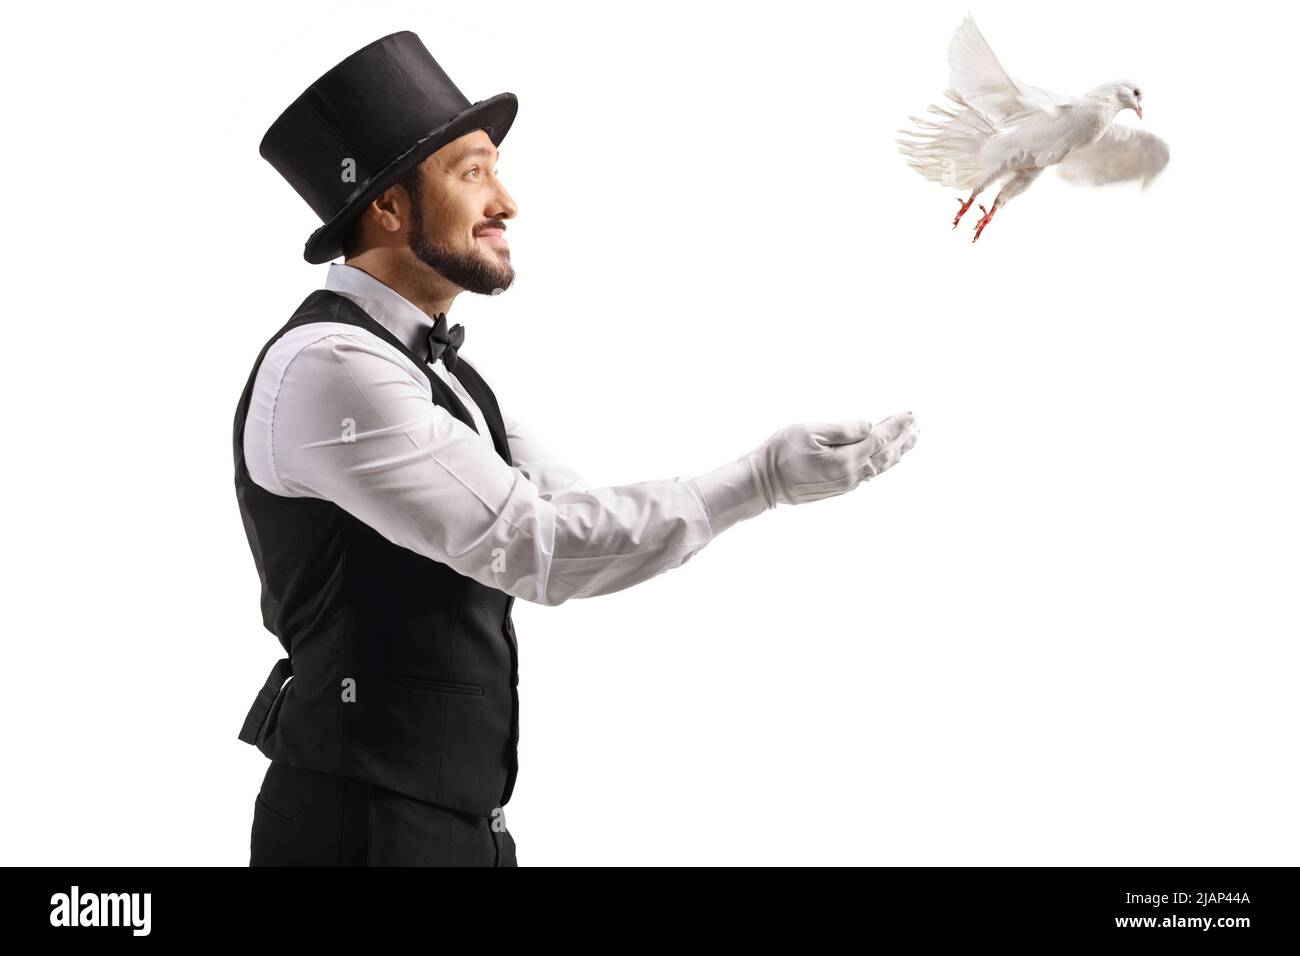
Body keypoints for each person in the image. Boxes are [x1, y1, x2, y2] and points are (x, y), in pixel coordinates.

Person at [235, 31, 919, 866]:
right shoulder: (334, 369)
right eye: (472, 171)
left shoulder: (438, 372)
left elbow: (575, 517)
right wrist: (763, 479)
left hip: (459, 831)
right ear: (386, 207)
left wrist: (766, 476)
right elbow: (541, 547)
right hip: (363, 831)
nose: (507, 202)